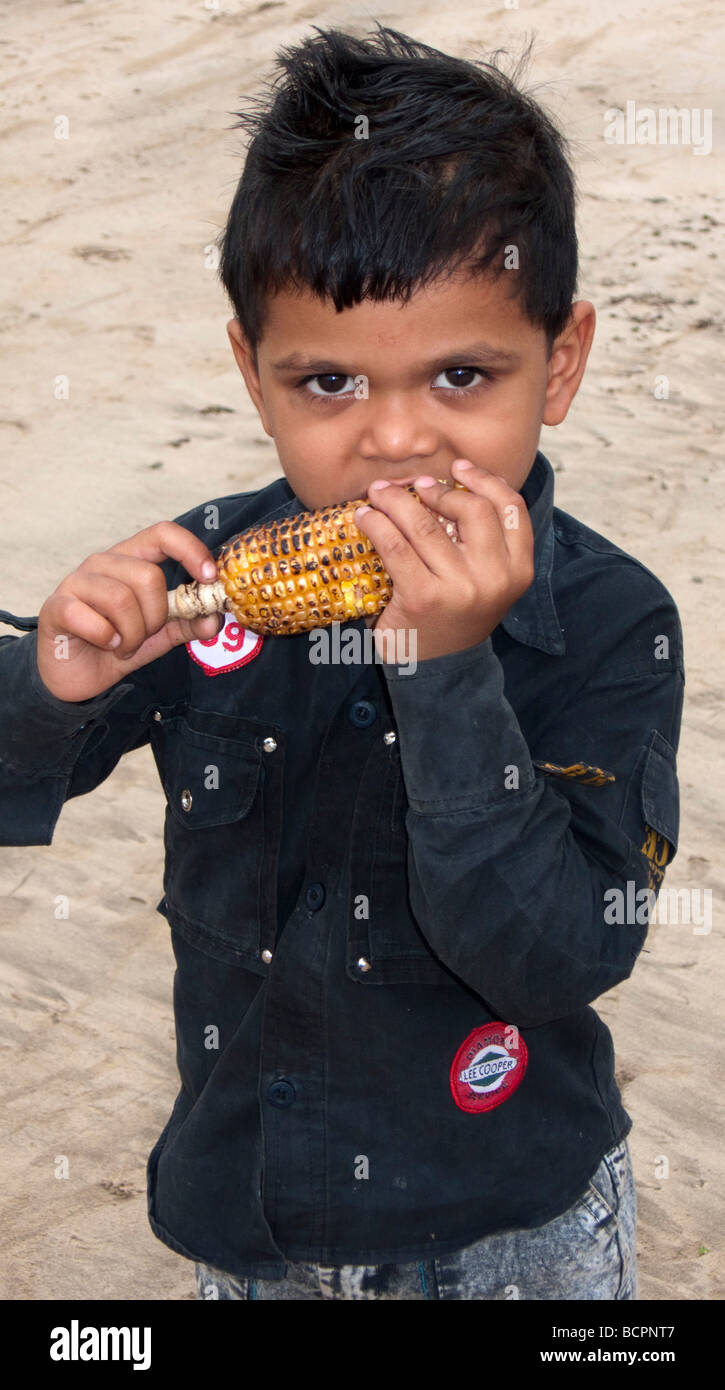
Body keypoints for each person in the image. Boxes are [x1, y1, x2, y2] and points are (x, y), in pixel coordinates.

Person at [0, 25, 684, 1300]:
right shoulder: (200, 577)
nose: (393, 440)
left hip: (506, 1229)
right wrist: (51, 683)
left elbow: (555, 953)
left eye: (462, 374)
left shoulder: (606, 622)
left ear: (563, 360)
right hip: (251, 1222)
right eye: (326, 381)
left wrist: (444, 668)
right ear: (251, 378)